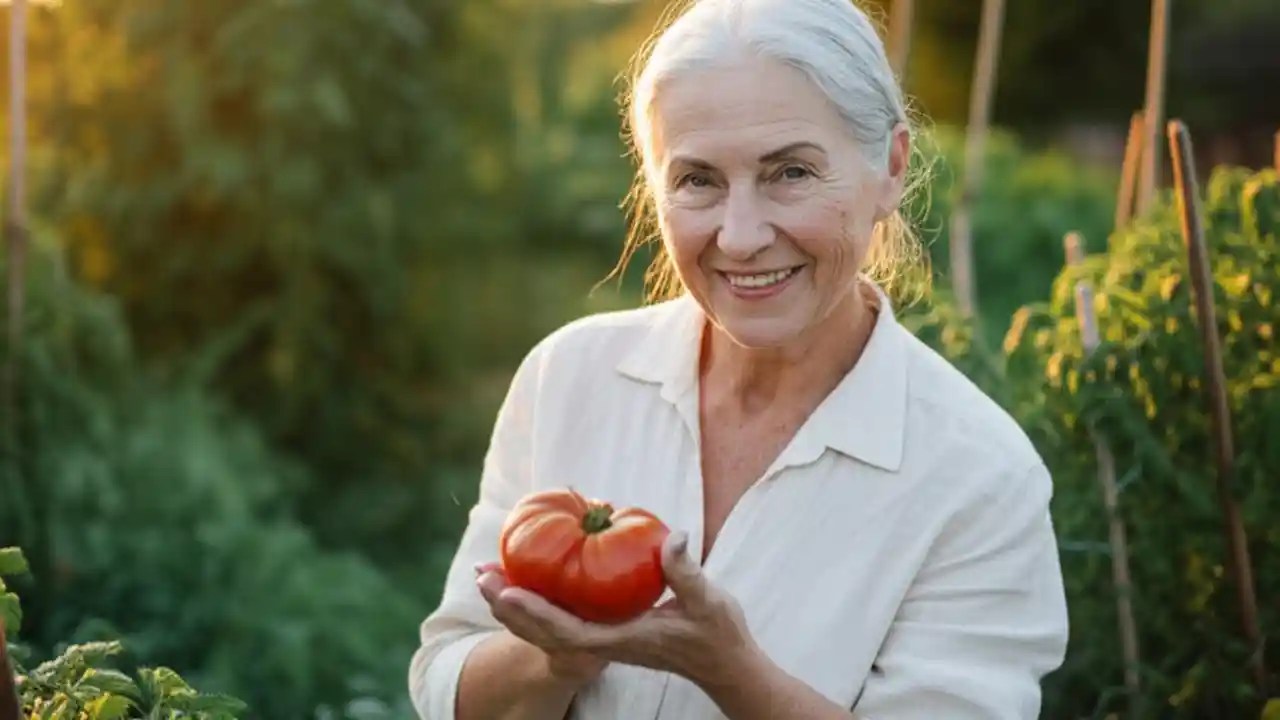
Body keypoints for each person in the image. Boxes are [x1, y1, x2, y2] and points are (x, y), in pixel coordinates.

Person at [408, 0, 1070, 717]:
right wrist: (555, 658)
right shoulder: (569, 377)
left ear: (891, 168)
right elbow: (447, 681)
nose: (742, 235)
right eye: (698, 180)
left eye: (790, 173)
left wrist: (734, 673)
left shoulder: (979, 478)